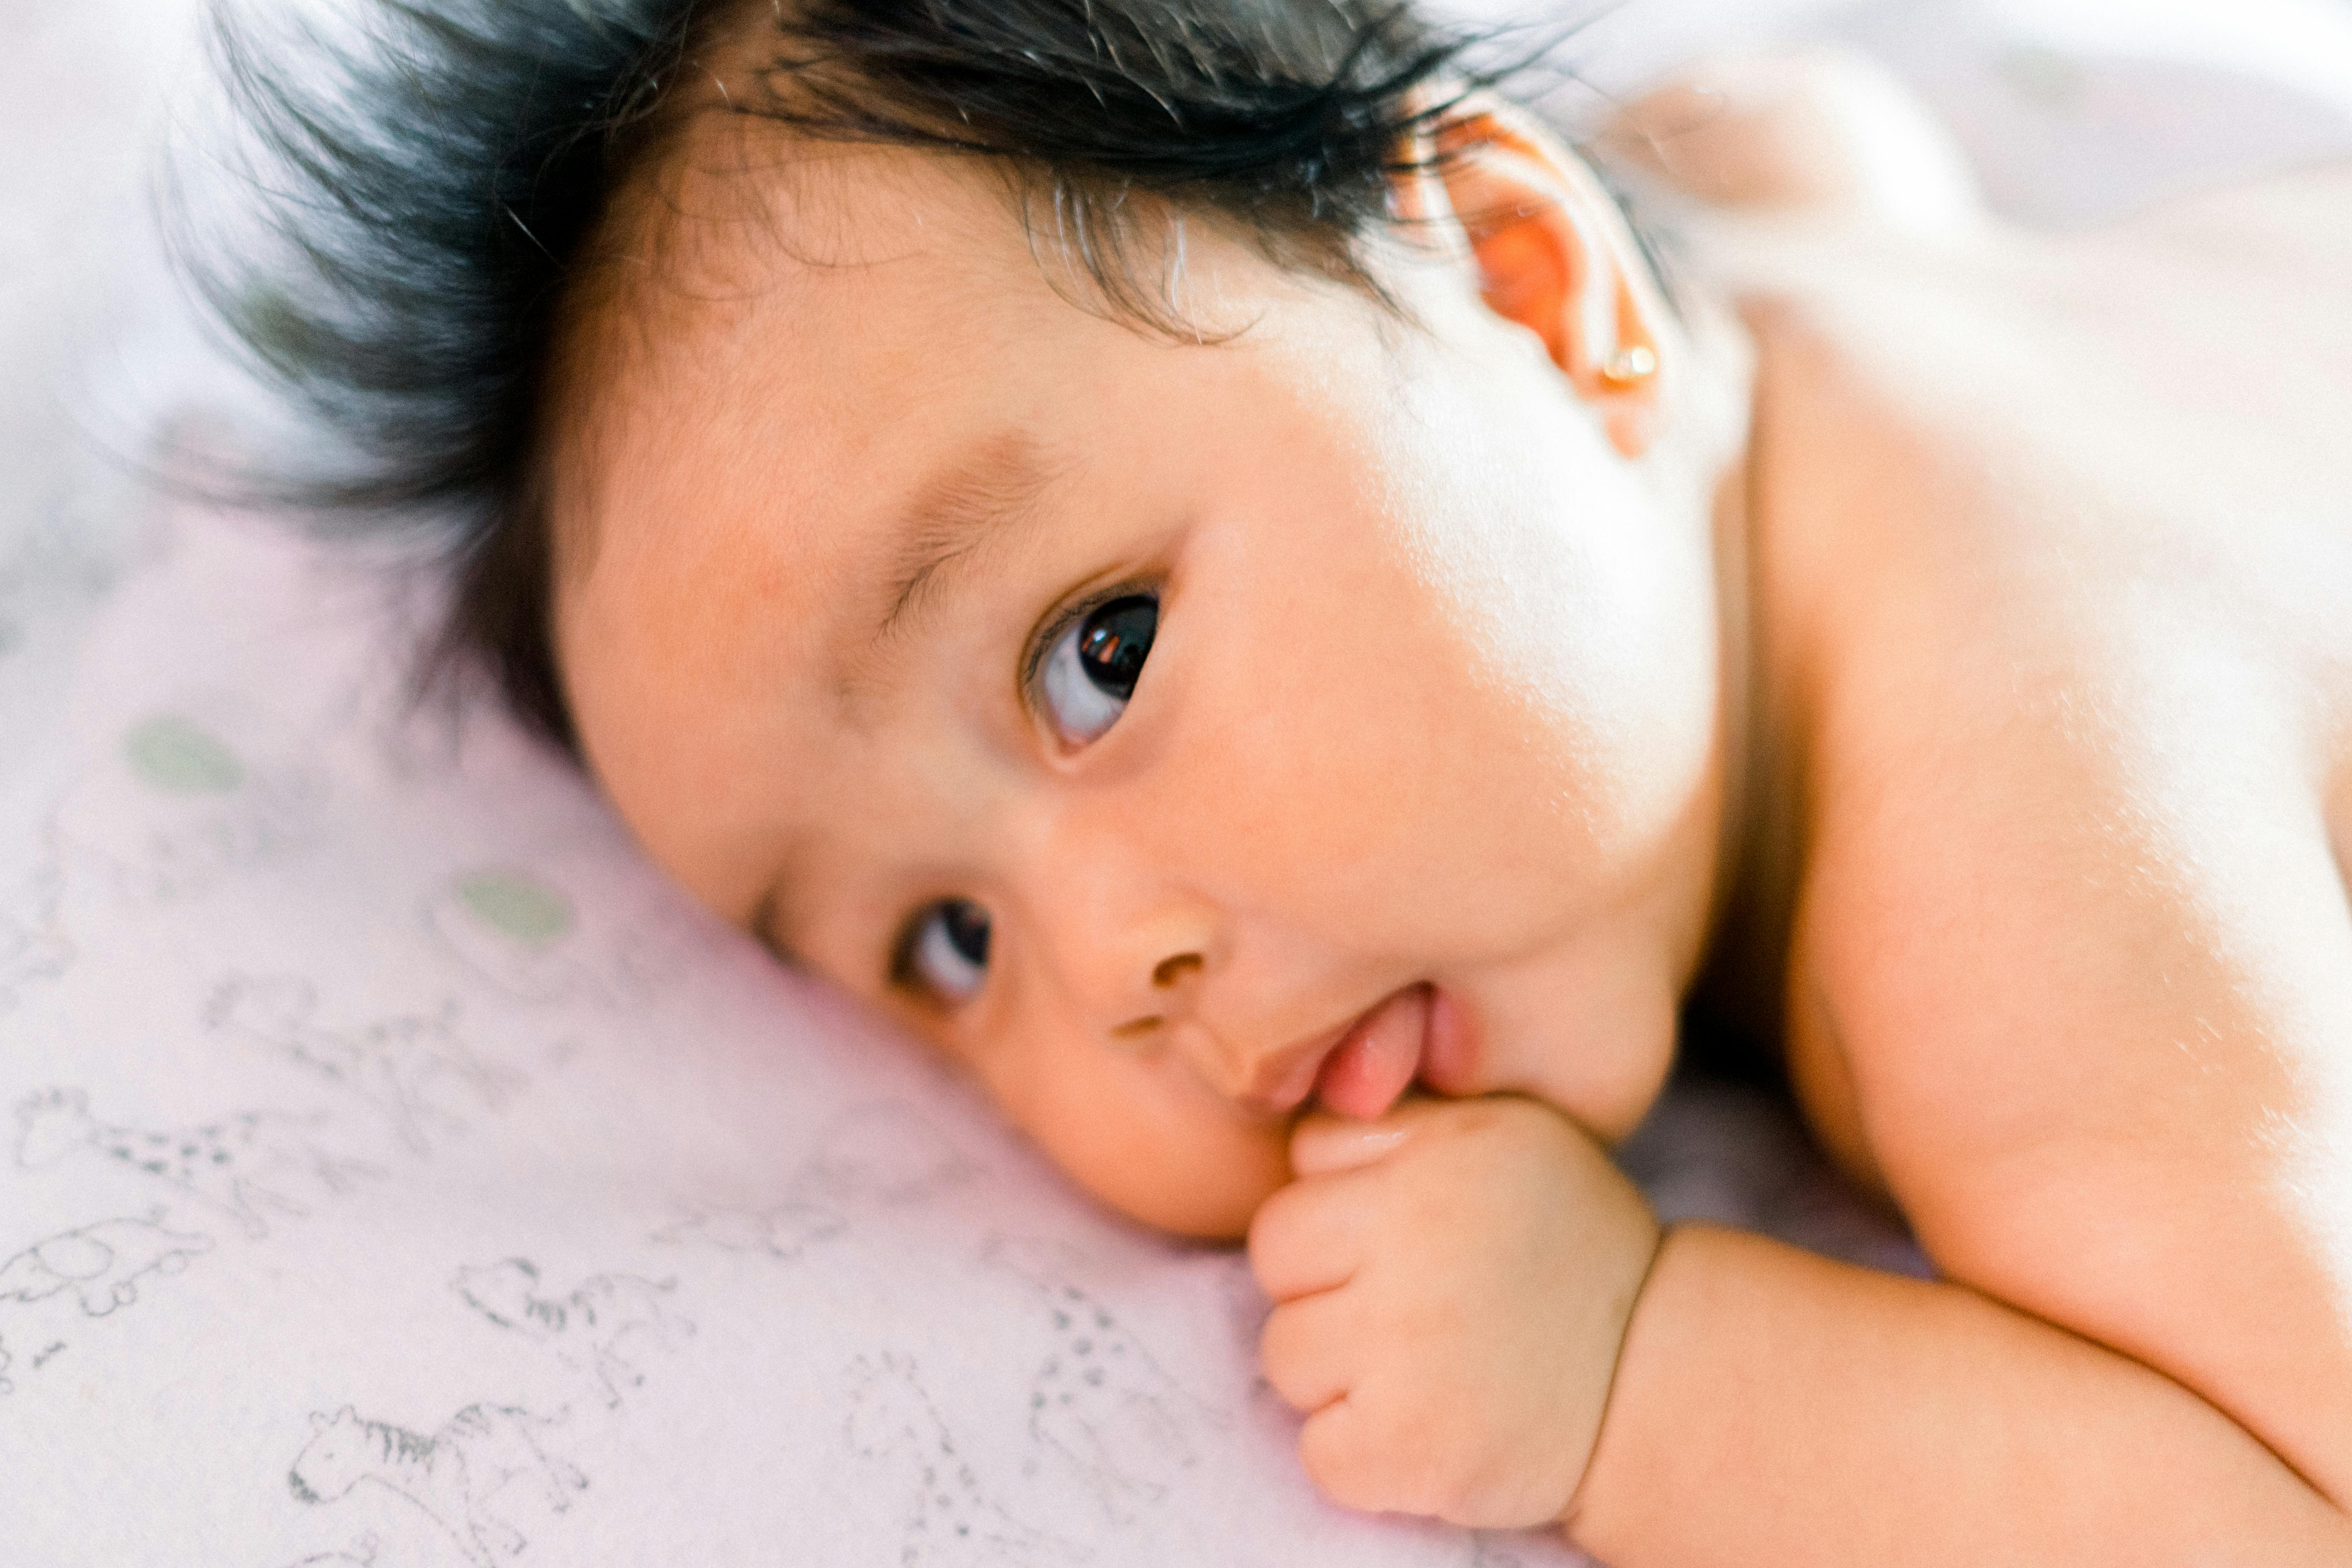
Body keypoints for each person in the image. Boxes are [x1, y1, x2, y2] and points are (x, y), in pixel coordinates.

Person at [198, 0, 2352, 1559]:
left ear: (1528, 282)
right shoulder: (1740, 247)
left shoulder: (2032, 857)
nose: (1112, 966)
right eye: (947, 943)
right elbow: (1784, 122)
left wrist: (1635, 1369)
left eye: (1097, 655)